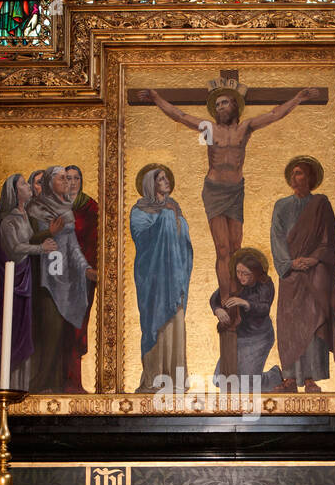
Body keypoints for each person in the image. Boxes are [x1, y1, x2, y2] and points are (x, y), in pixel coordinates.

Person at [138, 79, 319, 375]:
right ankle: (227, 304)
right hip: (214, 190)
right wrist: (157, 98)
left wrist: (298, 96)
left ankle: (238, 297)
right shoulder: (209, 129)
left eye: (226, 103)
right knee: (223, 249)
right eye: (218, 103)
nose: (221, 107)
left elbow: (274, 115)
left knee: (236, 252)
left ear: (235, 106)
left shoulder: (244, 128)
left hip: (236, 191)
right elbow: (181, 116)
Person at [271, 156, 335, 392]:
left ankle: (311, 377)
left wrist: (315, 258)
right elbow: (277, 237)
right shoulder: (282, 206)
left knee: (312, 319)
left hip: (314, 272)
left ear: (310, 178)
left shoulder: (321, 204)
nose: (294, 177)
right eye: (292, 173)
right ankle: (290, 376)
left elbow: (330, 240)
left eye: (299, 173)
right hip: (291, 273)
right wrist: (289, 263)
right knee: (289, 322)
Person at [26, 165, 96, 392]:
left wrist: (85, 269)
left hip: (66, 281)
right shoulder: (35, 207)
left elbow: (73, 246)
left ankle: (55, 384)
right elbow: (25, 240)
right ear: (49, 181)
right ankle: (39, 382)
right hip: (44, 280)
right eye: (62, 178)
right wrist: (48, 233)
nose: (67, 182)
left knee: (61, 333)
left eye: (70, 178)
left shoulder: (66, 210)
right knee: (48, 332)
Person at [0, 173, 53, 390]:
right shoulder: (9, 219)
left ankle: (19, 383)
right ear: (14, 192)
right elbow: (14, 249)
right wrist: (41, 248)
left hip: (24, 276)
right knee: (7, 329)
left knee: (23, 328)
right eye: (23, 184)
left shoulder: (24, 215)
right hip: (9, 278)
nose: (27, 186)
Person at [130, 164, 193, 392]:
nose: (166, 182)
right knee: (154, 325)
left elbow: (184, 244)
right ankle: (154, 379)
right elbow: (141, 239)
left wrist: (171, 215)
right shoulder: (140, 211)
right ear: (150, 184)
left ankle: (175, 380)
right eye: (160, 179)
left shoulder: (174, 208)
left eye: (167, 178)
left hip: (175, 278)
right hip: (153, 279)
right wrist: (164, 216)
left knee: (175, 323)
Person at [210, 248, 282, 391]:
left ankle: (275, 376)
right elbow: (215, 298)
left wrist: (245, 303)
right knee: (220, 379)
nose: (241, 277)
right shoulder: (235, 282)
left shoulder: (265, 284)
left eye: (246, 274)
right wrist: (217, 310)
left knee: (248, 384)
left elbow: (264, 308)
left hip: (259, 338)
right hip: (240, 337)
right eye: (238, 272)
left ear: (254, 273)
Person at [65, 165, 100, 392]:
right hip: (60, 278)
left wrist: (90, 268)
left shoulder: (90, 207)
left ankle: (74, 382)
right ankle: (61, 381)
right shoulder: (55, 207)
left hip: (85, 275)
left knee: (77, 327)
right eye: (68, 178)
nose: (73, 182)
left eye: (77, 178)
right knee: (61, 330)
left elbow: (97, 239)